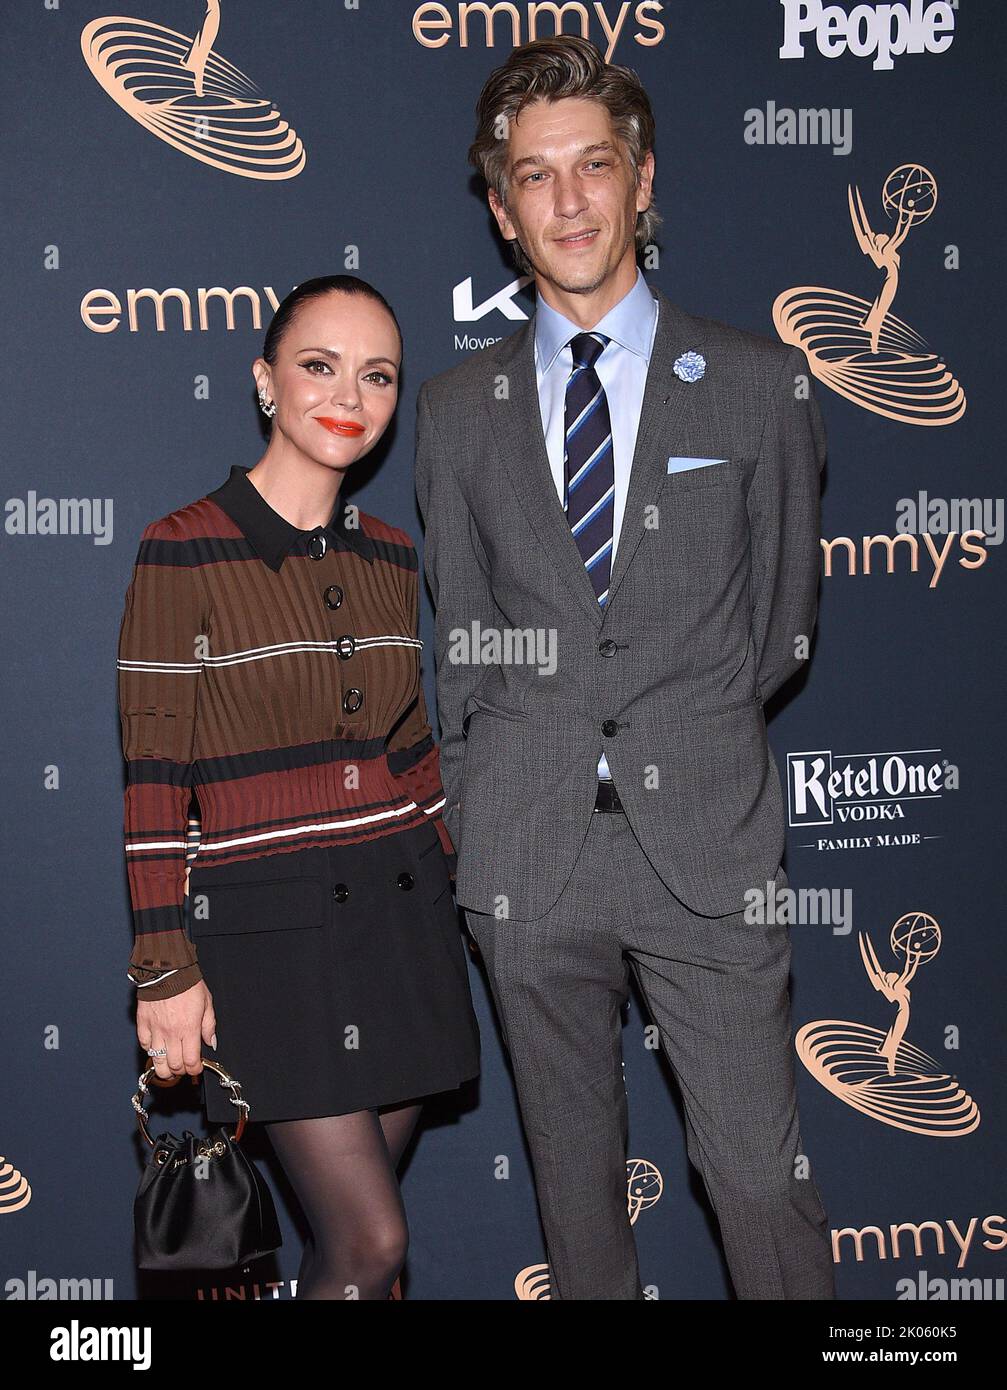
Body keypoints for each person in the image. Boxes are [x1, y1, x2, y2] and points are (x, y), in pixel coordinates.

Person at [414, 36, 835, 1299]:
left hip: (705, 844)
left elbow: (777, 629)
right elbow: (464, 636)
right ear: (500, 208)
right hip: (527, 857)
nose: (568, 200)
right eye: (533, 176)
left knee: (758, 1184)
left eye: (592, 165)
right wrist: (486, 805)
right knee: (575, 1195)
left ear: (641, 178)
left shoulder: (761, 387)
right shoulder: (451, 411)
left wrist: (677, 735)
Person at [117, 275, 480, 1300]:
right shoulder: (182, 549)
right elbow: (153, 779)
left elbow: (412, 749)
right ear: (264, 381)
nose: (347, 395)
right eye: (319, 365)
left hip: (402, 924)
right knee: (372, 1244)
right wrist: (162, 970)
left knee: (344, 1251)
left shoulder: (391, 557)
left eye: (376, 376)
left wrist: (468, 880)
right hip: (266, 944)